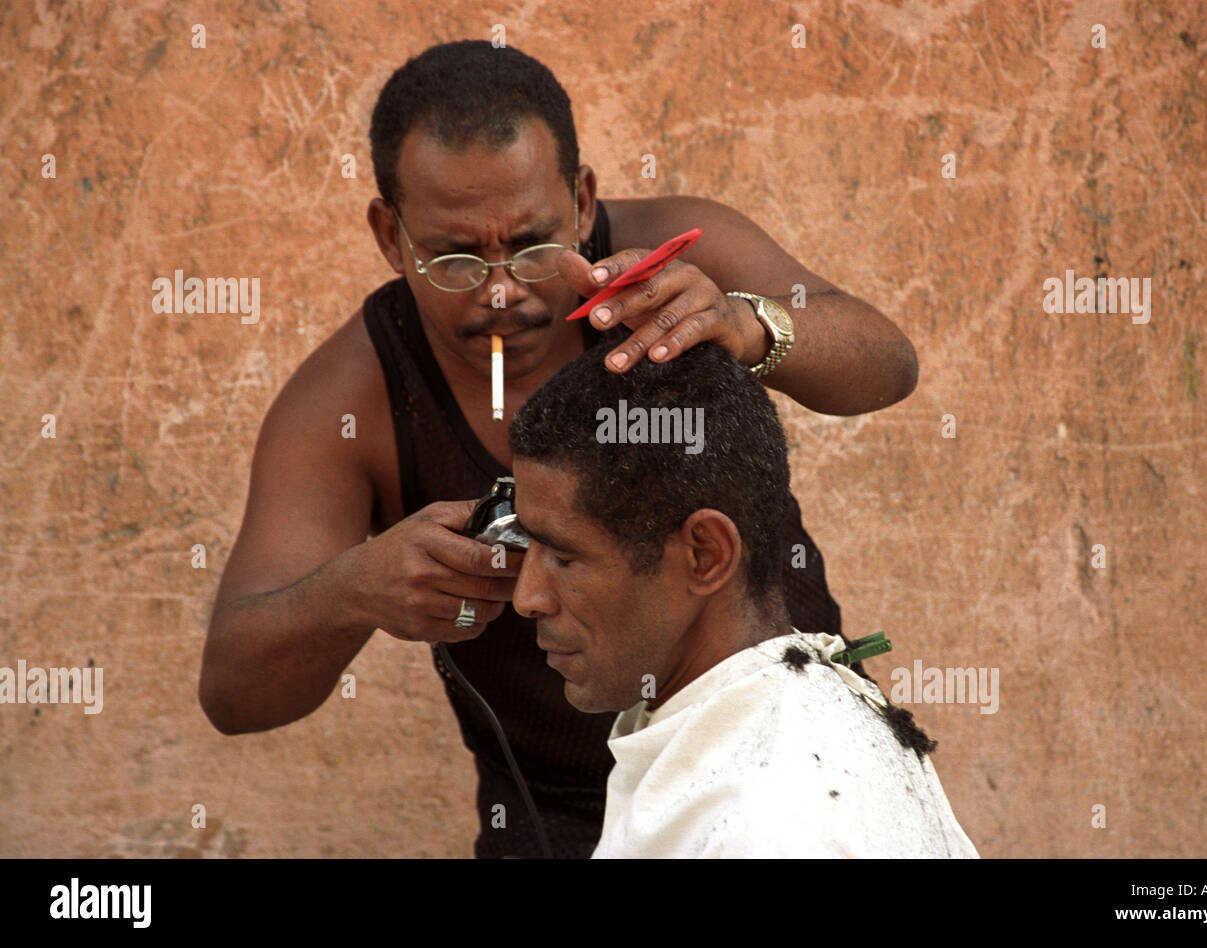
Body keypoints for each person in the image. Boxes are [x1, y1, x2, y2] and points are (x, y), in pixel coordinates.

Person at [198, 40, 920, 858]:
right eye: (455, 258)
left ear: (582, 203)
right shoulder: (350, 399)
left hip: (789, 747)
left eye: (533, 246)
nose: (501, 291)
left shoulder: (676, 259)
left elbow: (888, 363)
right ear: (390, 236)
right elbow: (233, 690)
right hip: (557, 820)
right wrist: (354, 590)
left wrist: (749, 325)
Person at [509, 341, 977, 857]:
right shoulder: (770, 725)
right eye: (522, 541)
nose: (527, 598)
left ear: (704, 556)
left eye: (564, 557)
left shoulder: (761, 826)